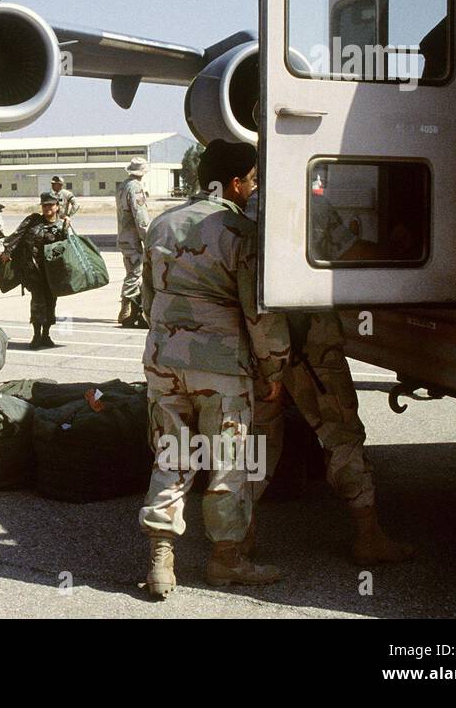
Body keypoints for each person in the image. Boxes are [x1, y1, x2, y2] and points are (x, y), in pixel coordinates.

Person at [138, 140, 291, 599]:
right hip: (220, 367)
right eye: (252, 180)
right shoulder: (240, 232)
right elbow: (258, 314)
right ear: (235, 182)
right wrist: (274, 369)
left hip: (164, 359)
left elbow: (148, 298)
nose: (253, 189)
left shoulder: (161, 225)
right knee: (229, 462)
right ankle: (228, 562)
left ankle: (161, 560)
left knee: (172, 453)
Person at [244, 192, 416, 565]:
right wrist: (396, 250)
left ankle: (239, 540)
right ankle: (368, 537)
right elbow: (349, 252)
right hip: (310, 342)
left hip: (257, 340)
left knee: (257, 439)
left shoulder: (243, 206)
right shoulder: (305, 201)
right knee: (341, 433)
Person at [0, 191, 68, 349]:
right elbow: (17, 235)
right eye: (44, 205)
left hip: (51, 272)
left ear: (57, 207)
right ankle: (36, 335)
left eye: (50, 205)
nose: (47, 208)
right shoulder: (32, 221)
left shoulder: (62, 225)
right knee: (38, 302)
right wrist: (7, 251)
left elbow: (67, 247)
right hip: (33, 271)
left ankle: (46, 335)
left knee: (51, 302)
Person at [115, 157, 151, 328]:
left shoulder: (123, 186)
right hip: (133, 237)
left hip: (124, 234)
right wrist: (148, 237)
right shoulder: (136, 188)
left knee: (133, 269)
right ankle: (127, 309)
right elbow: (141, 217)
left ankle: (131, 308)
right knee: (136, 272)